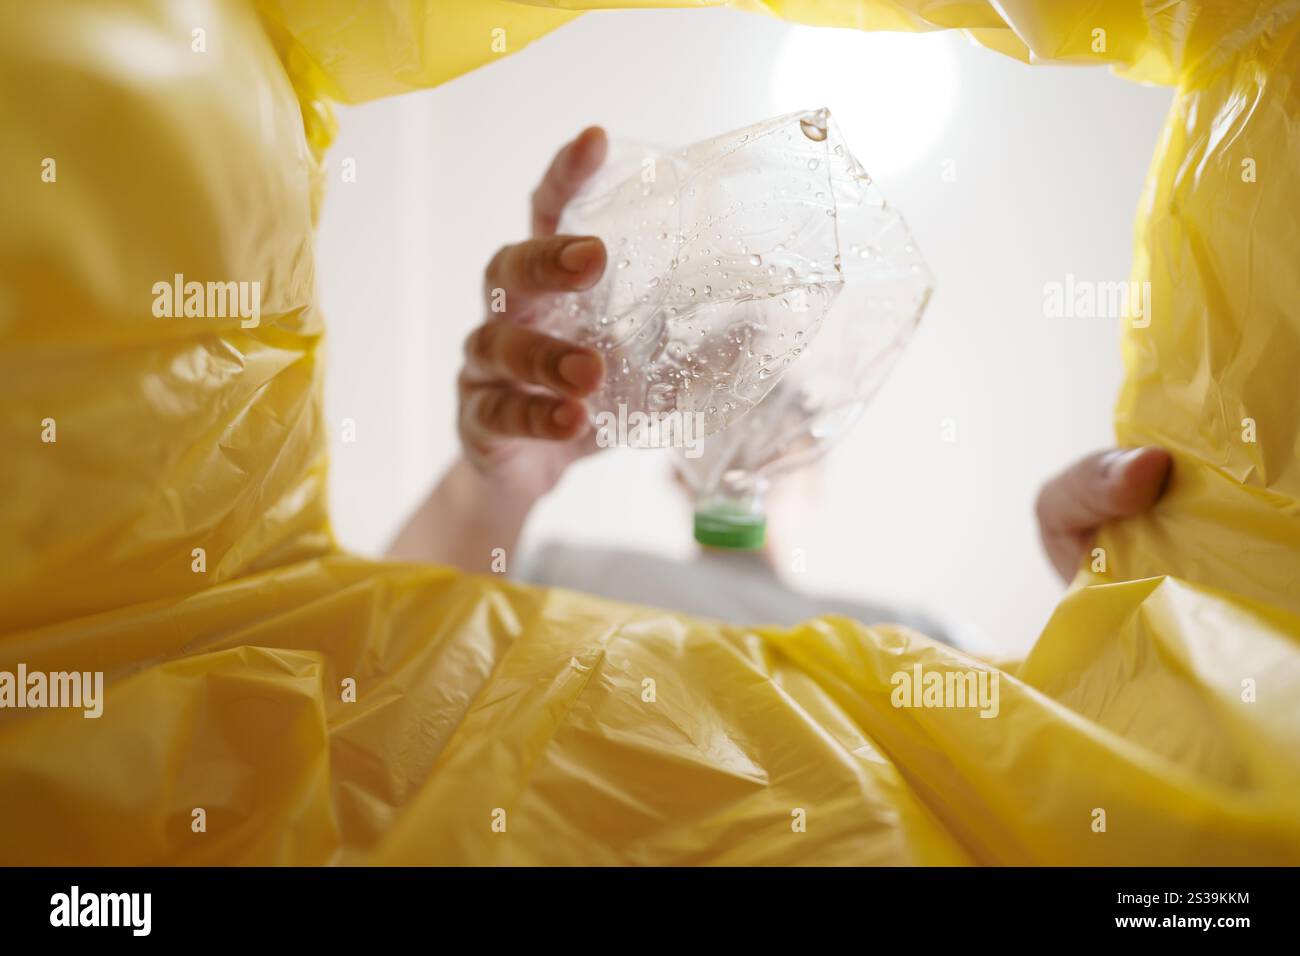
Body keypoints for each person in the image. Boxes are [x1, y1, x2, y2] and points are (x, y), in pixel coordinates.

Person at [387, 126, 1175, 633]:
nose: (753, 431)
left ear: (819, 470)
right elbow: (389, 680)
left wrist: (1114, 632)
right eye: (721, 405)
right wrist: (490, 492)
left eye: (788, 409)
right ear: (674, 464)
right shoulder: (561, 576)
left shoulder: (900, 634)